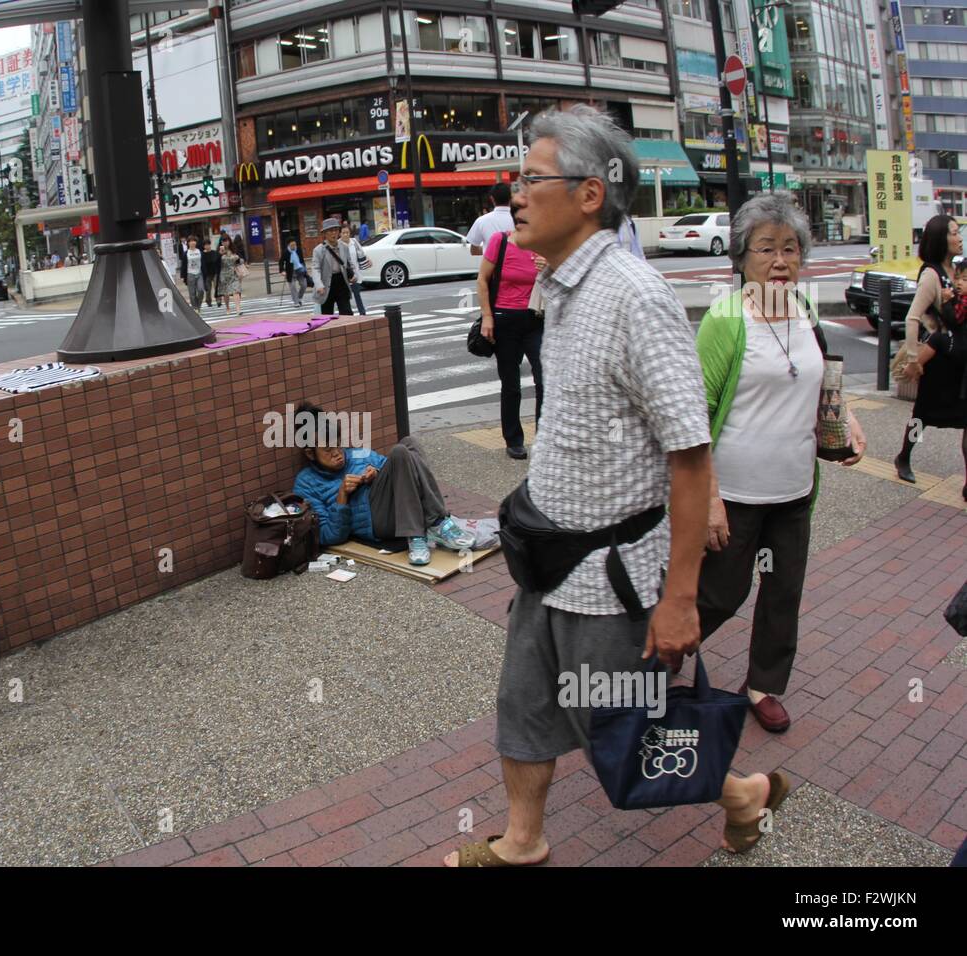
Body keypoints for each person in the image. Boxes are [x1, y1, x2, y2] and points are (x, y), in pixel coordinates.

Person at [446, 105, 789, 867]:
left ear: (590, 193)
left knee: (625, 736)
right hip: (545, 560)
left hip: (613, 579)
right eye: (516, 180)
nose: (515, 195)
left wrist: (679, 598)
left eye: (532, 179)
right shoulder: (557, 285)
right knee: (525, 706)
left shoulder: (636, 295)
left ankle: (744, 795)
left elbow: (691, 456)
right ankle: (523, 840)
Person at [695, 191, 868, 734]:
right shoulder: (725, 319)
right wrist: (708, 496)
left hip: (793, 490)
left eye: (790, 249)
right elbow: (694, 415)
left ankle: (764, 685)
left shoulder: (805, 312)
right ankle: (659, 650)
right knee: (720, 593)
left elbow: (820, 385)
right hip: (735, 493)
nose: (779, 260)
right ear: (742, 256)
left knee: (782, 591)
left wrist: (847, 421)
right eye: (766, 248)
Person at [291, 402, 475, 566]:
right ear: (310, 453)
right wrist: (342, 497)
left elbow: (401, 469)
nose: (337, 453)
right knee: (400, 451)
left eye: (338, 444)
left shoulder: (358, 454)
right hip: (374, 523)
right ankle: (434, 523)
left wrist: (377, 473)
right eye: (328, 450)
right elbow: (328, 535)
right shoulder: (306, 483)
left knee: (409, 444)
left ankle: (426, 529)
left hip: (397, 508)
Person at [894, 214, 966, 488]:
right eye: (954, 233)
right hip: (940, 361)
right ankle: (904, 456)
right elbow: (912, 318)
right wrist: (914, 359)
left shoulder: (957, 270)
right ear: (940, 239)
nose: (960, 238)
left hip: (961, 358)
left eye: (959, 232)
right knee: (921, 416)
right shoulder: (931, 275)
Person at [477, 226, 544, 459]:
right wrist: (487, 316)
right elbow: (482, 280)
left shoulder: (544, 242)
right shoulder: (501, 241)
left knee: (544, 380)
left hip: (536, 319)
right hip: (504, 320)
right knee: (511, 384)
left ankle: (544, 439)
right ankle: (513, 439)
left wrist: (550, 268)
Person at [312, 218, 355, 316]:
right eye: (330, 231)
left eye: (336, 230)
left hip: (342, 281)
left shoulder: (344, 247)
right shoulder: (318, 250)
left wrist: (353, 275)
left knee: (347, 312)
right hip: (327, 283)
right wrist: (319, 284)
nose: (334, 233)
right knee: (327, 315)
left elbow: (349, 263)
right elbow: (315, 269)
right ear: (325, 233)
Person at [465, 183, 515, 256]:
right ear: (511, 198)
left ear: (492, 198)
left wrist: (490, 249)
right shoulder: (520, 219)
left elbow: (474, 251)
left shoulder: (481, 221)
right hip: (517, 262)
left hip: (491, 262)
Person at [339, 224, 368, 316]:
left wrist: (367, 260)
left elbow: (361, 253)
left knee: (357, 294)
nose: (345, 234)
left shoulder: (354, 242)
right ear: (340, 234)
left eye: (347, 232)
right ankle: (347, 314)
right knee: (345, 297)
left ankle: (362, 313)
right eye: (343, 233)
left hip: (354, 274)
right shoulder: (338, 244)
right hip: (344, 275)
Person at [217, 237, 243, 316]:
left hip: (234, 273)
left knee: (236, 291)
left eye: (226, 241)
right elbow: (216, 262)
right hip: (223, 275)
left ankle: (238, 309)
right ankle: (227, 307)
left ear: (229, 241)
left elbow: (239, 261)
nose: (225, 243)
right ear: (221, 243)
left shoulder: (234, 250)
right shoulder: (219, 251)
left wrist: (238, 259)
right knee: (226, 293)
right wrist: (220, 254)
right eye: (223, 241)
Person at [279, 237, 307, 306]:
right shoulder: (286, 252)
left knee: (304, 285)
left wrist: (305, 269)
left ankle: (299, 298)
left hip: (300, 270)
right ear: (288, 245)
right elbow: (281, 262)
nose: (294, 246)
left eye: (295, 244)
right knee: (293, 287)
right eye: (292, 245)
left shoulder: (298, 250)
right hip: (290, 272)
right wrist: (282, 271)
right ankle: (296, 302)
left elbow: (302, 260)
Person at [184, 236, 205, 310]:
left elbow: (203, 263)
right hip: (190, 274)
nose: (192, 242)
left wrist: (205, 273)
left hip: (199, 273)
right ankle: (195, 307)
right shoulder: (186, 253)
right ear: (188, 243)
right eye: (191, 241)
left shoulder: (199, 252)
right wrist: (183, 276)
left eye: (194, 241)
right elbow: (184, 265)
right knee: (192, 293)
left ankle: (198, 305)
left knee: (201, 290)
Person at [201, 240, 222, 309]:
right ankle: (208, 301)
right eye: (205, 245)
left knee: (216, 287)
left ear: (210, 245)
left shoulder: (214, 253)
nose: (207, 246)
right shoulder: (202, 254)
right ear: (204, 246)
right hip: (207, 274)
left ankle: (218, 300)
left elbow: (219, 260)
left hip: (215, 272)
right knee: (208, 289)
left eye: (208, 244)